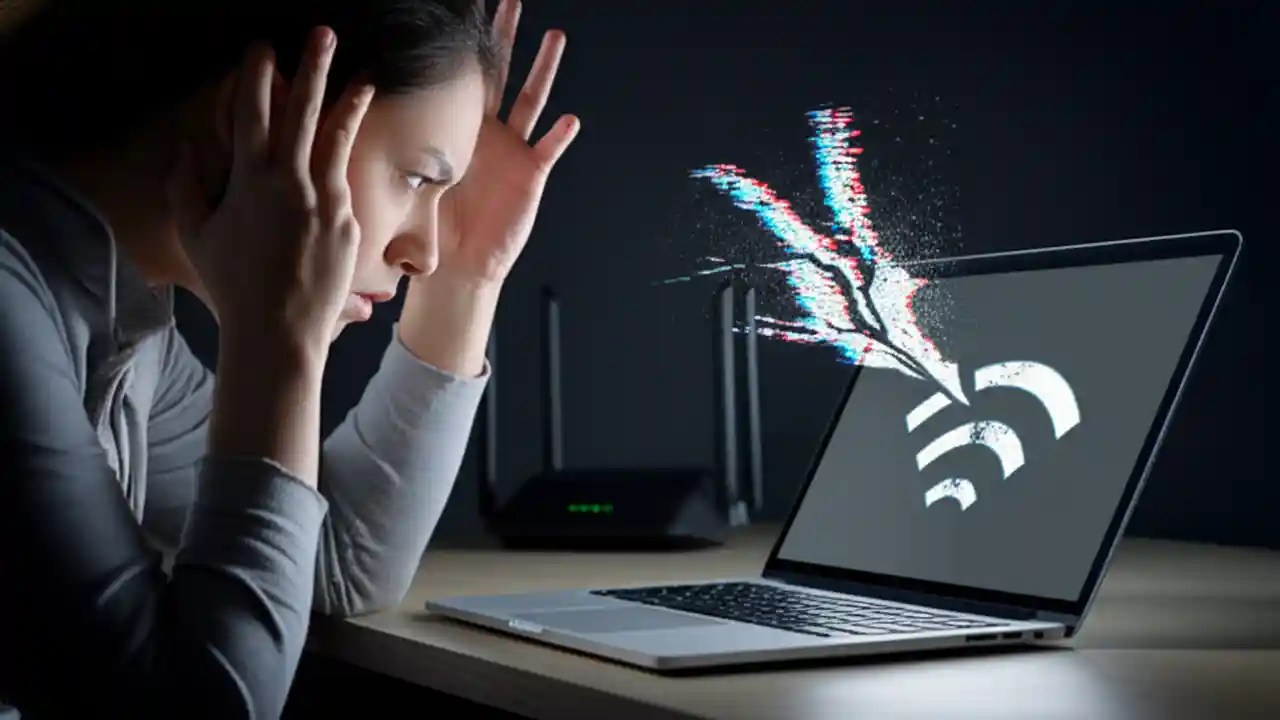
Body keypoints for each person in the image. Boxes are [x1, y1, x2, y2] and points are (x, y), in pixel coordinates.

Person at [0, 0, 578, 717]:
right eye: (419, 179)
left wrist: (468, 278)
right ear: (258, 115)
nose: (423, 251)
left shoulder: (124, 325)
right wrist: (278, 337)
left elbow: (335, 564)